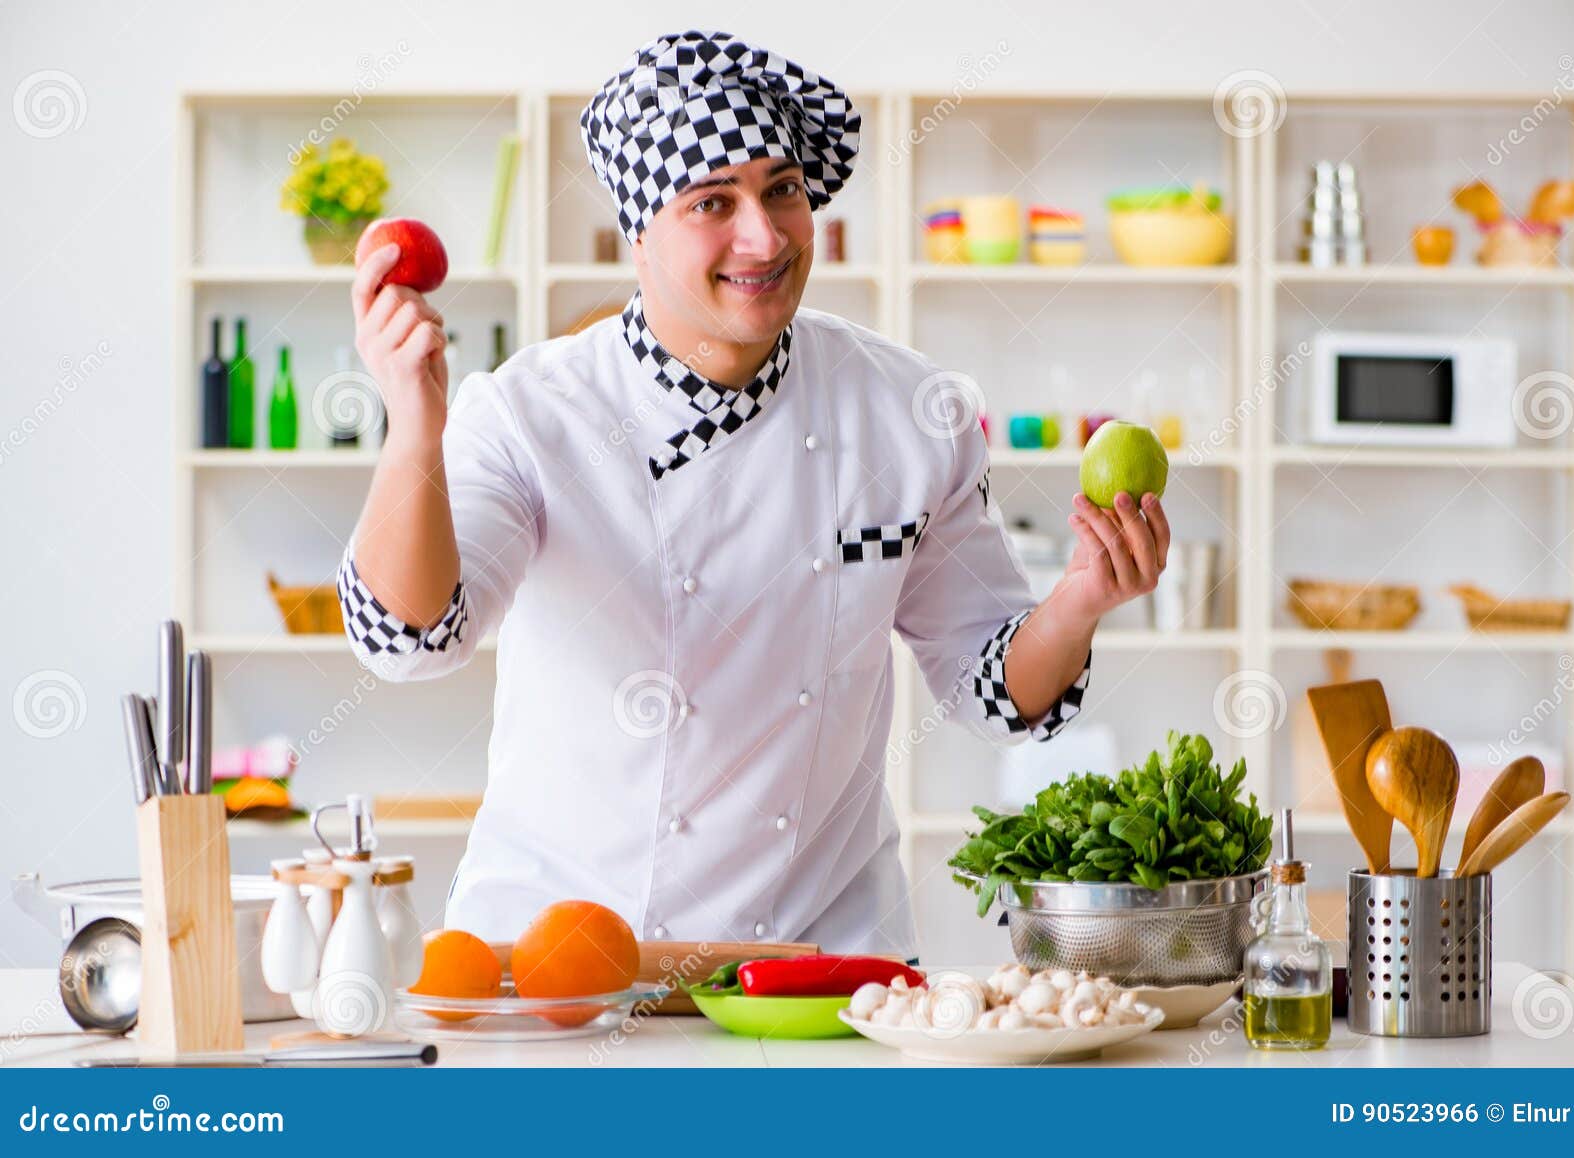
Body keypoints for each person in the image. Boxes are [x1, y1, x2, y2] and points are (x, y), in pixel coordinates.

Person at [339, 30, 1168, 957]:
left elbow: (993, 692)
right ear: (638, 229)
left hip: (822, 962)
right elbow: (410, 638)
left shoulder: (908, 414)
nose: (765, 237)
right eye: (713, 202)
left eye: (782, 190)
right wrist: (414, 423)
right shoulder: (533, 415)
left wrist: (1083, 598)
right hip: (557, 960)